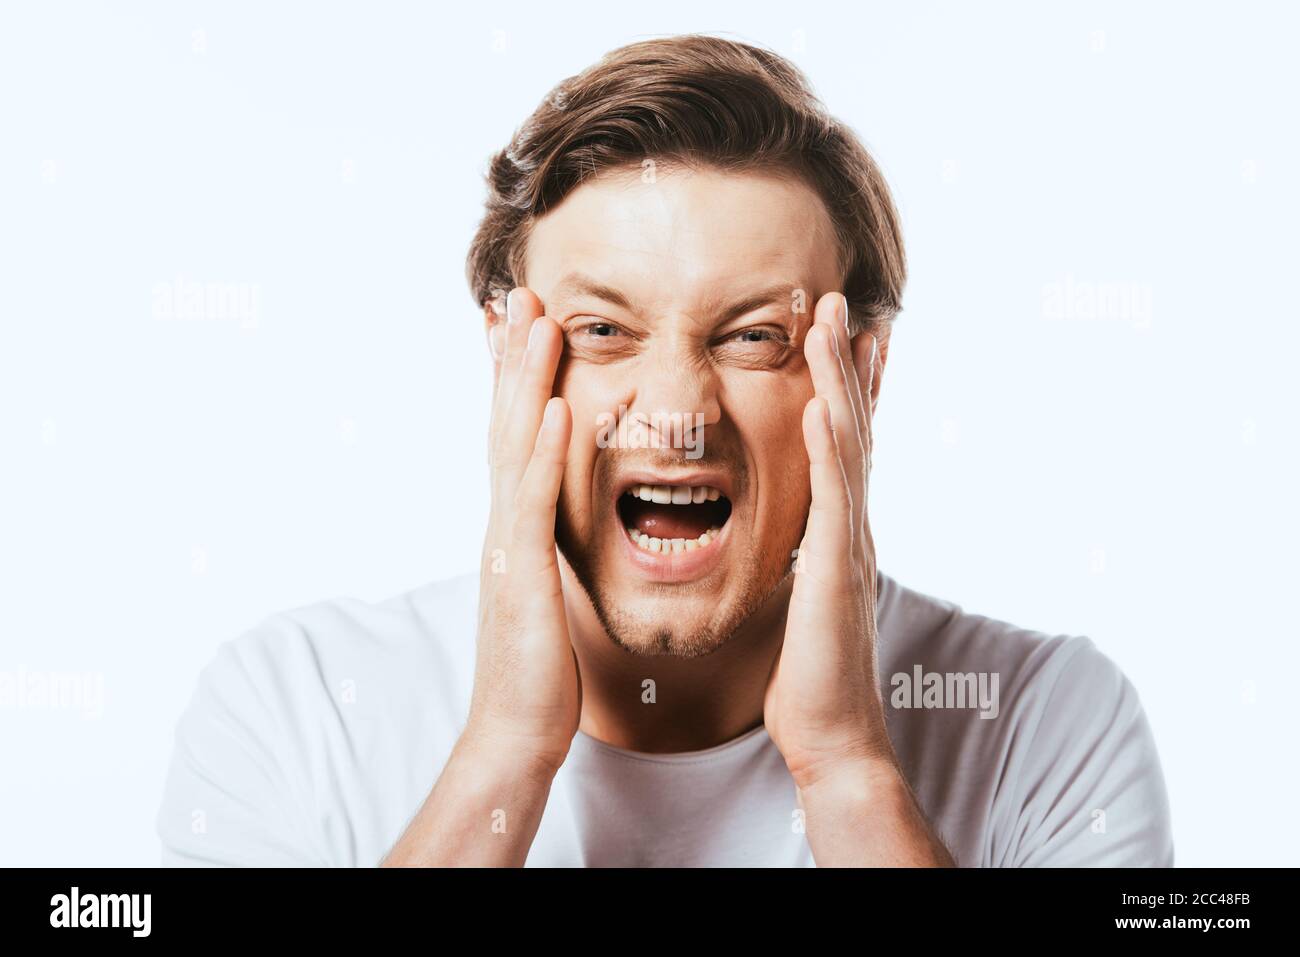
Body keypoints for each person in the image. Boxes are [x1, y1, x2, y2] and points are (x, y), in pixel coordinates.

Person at [157, 34, 1174, 867]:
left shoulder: (1050, 726)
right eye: (602, 331)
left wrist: (847, 767)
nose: (680, 413)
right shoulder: (292, 713)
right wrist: (505, 753)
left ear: (861, 375)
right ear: (511, 357)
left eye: (752, 338)